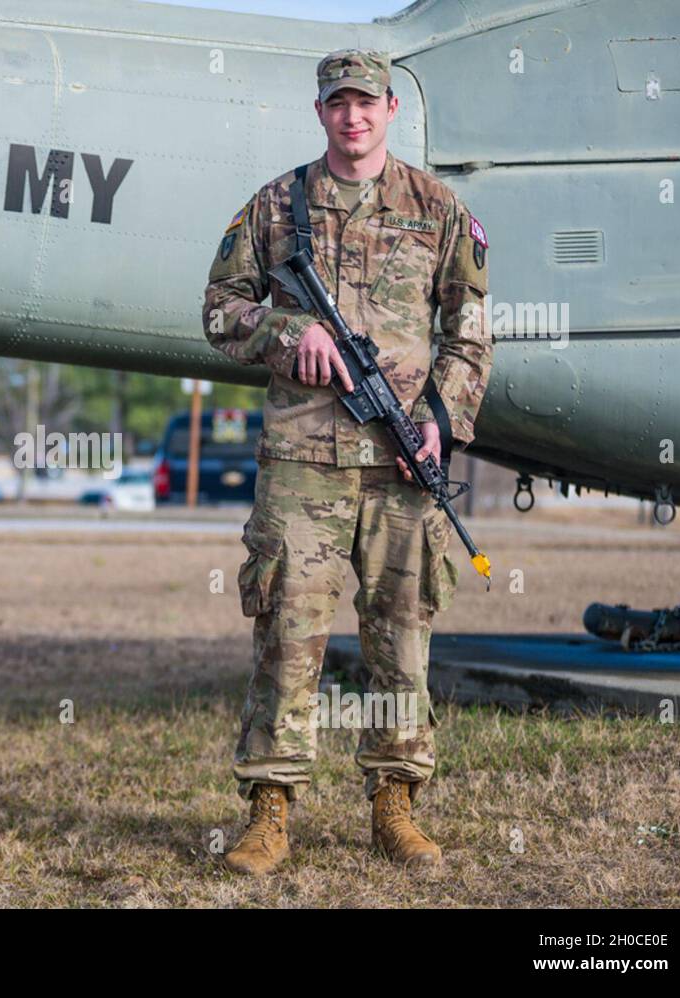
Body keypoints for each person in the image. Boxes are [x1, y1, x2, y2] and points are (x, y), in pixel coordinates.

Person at [201, 49, 494, 874]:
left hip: (403, 463)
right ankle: (269, 810)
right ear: (321, 110)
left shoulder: (437, 209)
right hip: (303, 460)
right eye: (338, 103)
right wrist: (295, 335)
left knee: (401, 637)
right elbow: (219, 311)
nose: (352, 116)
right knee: (288, 631)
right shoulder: (276, 206)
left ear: (391, 108)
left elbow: (469, 335)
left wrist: (440, 420)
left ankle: (395, 805)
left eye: (366, 102)